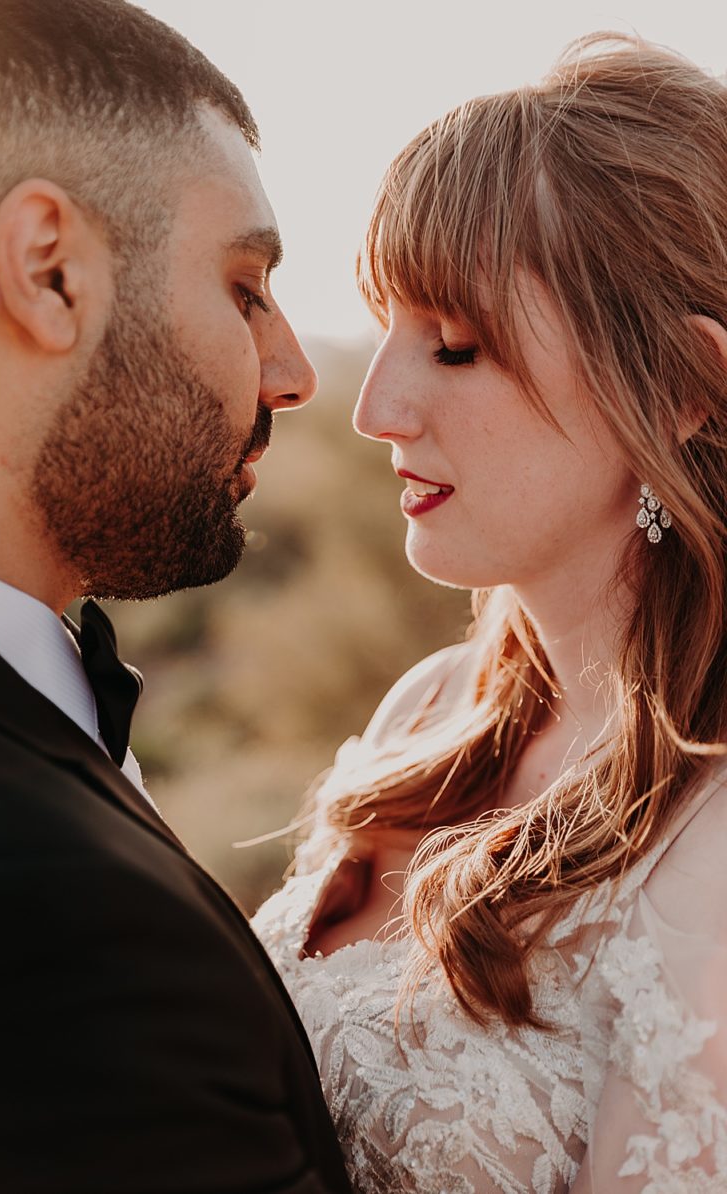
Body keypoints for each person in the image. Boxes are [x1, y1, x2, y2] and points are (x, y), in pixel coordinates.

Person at [249, 35, 727, 1190]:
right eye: (388, 329)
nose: (376, 407)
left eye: (454, 346)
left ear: (678, 392)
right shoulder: (427, 704)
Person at [0, 0, 351, 1189]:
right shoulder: (37, 912)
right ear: (49, 270)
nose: (295, 370)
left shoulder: (11, 714)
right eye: (246, 284)